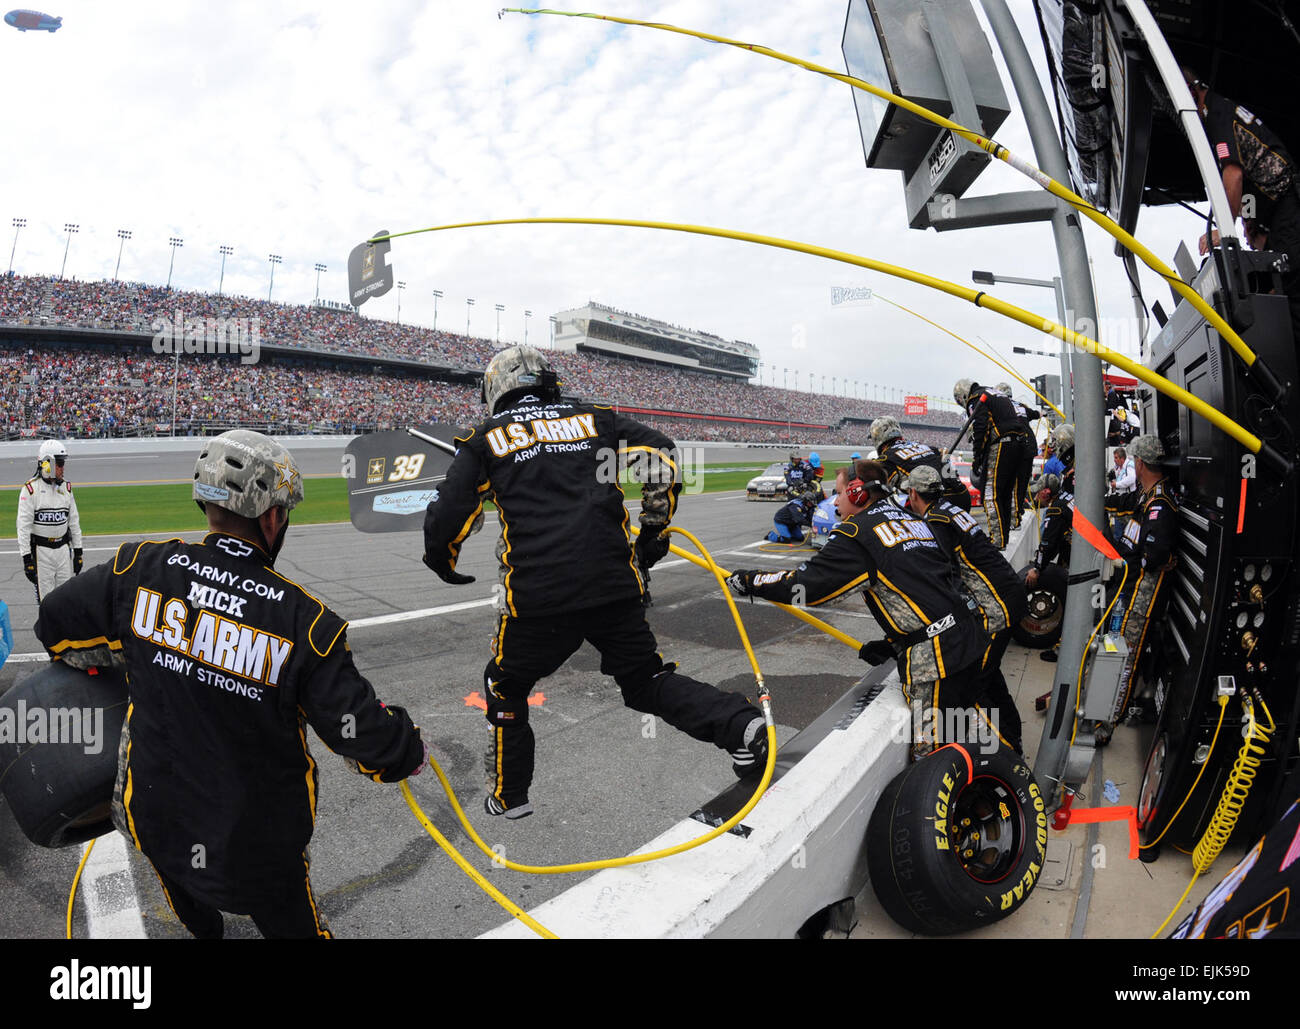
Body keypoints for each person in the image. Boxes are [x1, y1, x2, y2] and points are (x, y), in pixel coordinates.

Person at [33, 430, 427, 939]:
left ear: (208, 502)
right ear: (272, 517)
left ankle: (205, 928)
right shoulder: (308, 625)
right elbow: (372, 745)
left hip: (155, 819)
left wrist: (147, 654)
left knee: (191, 905)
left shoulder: (137, 567)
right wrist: (409, 744)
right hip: (257, 850)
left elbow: (54, 626)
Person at [422, 346, 766, 819]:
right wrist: (652, 535)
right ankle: (741, 726)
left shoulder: (484, 438)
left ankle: (510, 796)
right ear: (547, 380)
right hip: (613, 585)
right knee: (645, 680)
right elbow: (663, 456)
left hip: (539, 600)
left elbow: (447, 513)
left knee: (504, 686)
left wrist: (443, 560)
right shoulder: (597, 420)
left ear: (497, 389)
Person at [726, 460, 985, 757]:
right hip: (971, 636)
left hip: (940, 659)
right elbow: (930, 585)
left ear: (858, 493)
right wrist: (896, 643)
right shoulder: (912, 518)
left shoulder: (856, 532)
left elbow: (808, 586)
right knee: (965, 740)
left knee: (936, 759)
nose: (835, 501)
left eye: (839, 493)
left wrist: (750, 581)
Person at [902, 465, 1027, 753]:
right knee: (991, 678)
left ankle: (1009, 754)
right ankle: (1014, 736)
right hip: (1007, 596)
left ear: (912, 494)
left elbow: (945, 577)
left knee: (974, 683)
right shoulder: (951, 510)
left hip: (996, 608)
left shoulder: (936, 522)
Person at [1185, 70, 1300, 342]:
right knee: (1279, 288)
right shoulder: (1220, 112)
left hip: (1289, 205)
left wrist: (1223, 229)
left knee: (1292, 292)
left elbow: (1234, 174)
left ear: (1193, 91)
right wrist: (1252, 226)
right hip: (1279, 214)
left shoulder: (1217, 114)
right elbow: (1247, 178)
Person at [1104, 434, 1180, 729]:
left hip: (1143, 596)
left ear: (1139, 462)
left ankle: (1110, 720)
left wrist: (1140, 561)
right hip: (1131, 588)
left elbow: (1156, 554)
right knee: (1116, 648)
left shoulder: (1160, 501)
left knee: (1127, 659)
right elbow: (1124, 505)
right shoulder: (1146, 494)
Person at [954, 378, 1036, 548]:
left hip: (1002, 443)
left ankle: (997, 539)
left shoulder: (976, 398)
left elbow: (980, 426)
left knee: (991, 494)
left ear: (963, 395)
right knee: (1005, 493)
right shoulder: (994, 392)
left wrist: (977, 458)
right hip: (1019, 444)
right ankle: (1004, 535)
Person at [17, 439, 82, 601]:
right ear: (47, 464)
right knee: (46, 601)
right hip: (41, 552)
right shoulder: (30, 490)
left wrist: (79, 551)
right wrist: (26, 558)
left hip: (63, 550)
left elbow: (74, 522)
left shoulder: (66, 488)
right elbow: (23, 527)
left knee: (67, 599)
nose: (62, 468)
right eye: (59, 464)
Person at [869, 415, 971, 511]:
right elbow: (946, 461)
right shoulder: (925, 446)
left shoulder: (886, 459)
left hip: (936, 504)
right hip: (961, 495)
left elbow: (877, 492)